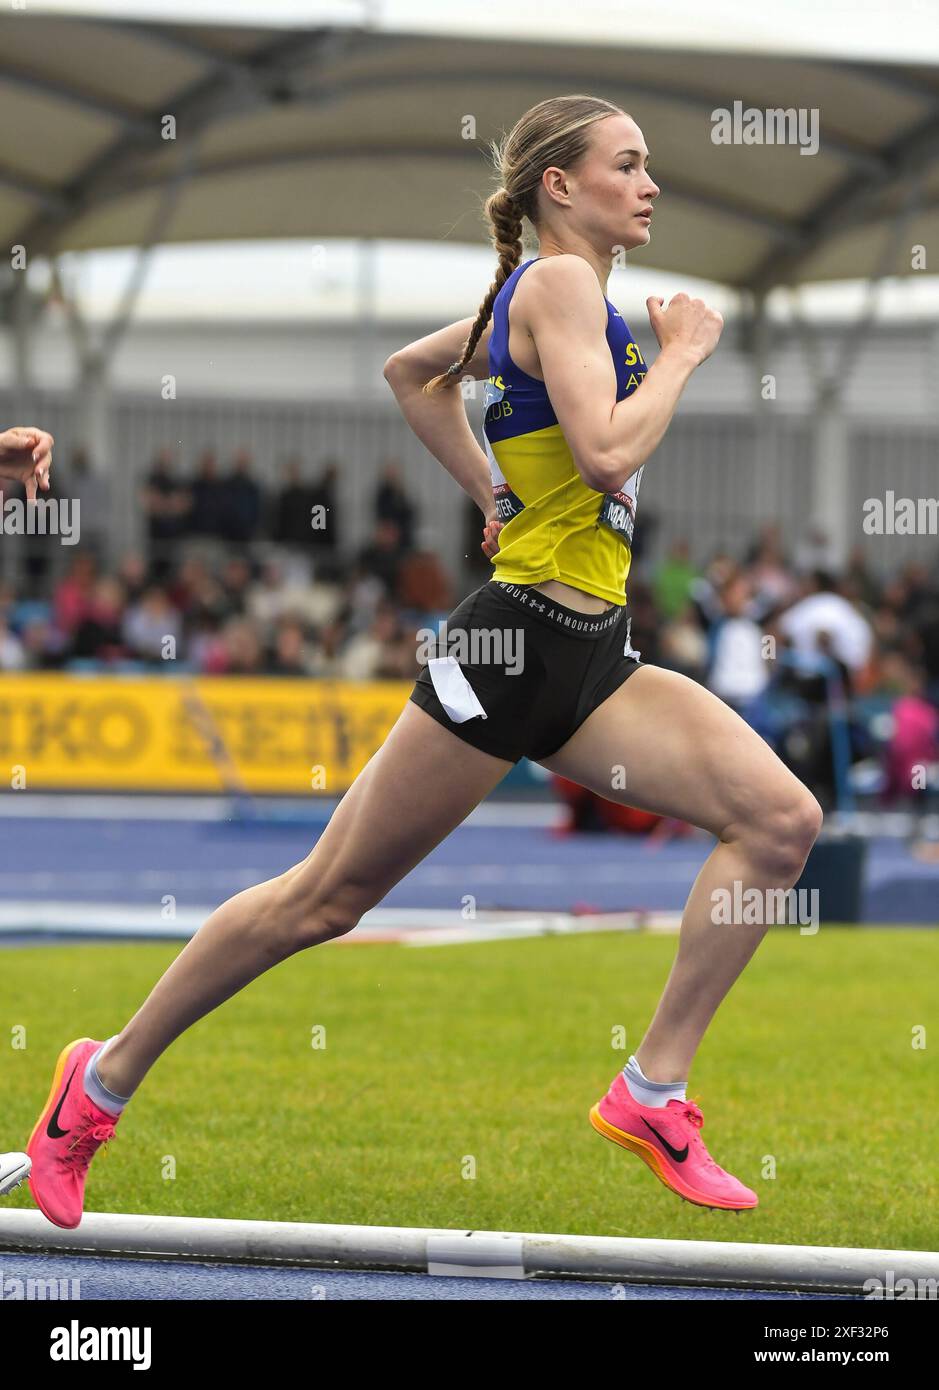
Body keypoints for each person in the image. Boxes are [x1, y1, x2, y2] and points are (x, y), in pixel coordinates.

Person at [24, 96, 822, 1228]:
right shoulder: (556, 288)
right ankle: (94, 1089)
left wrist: (495, 490)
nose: (651, 185)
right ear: (560, 185)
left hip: (592, 655)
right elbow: (603, 455)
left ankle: (652, 1090)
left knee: (780, 821)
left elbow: (411, 373)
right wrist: (685, 354)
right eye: (628, 165)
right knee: (322, 900)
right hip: (513, 649)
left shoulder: (528, 298)